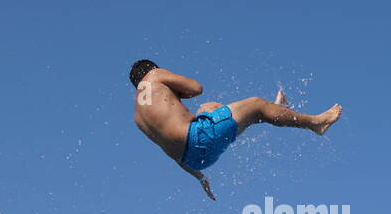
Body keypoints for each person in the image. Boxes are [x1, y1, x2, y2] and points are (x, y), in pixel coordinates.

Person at [129, 59, 342, 200]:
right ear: (151, 70)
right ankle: (316, 122)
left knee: (221, 112)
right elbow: (196, 88)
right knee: (255, 105)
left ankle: (275, 111)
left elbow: (172, 153)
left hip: (195, 159)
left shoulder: (138, 116)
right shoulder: (154, 75)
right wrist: (179, 92)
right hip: (199, 137)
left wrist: (200, 177)